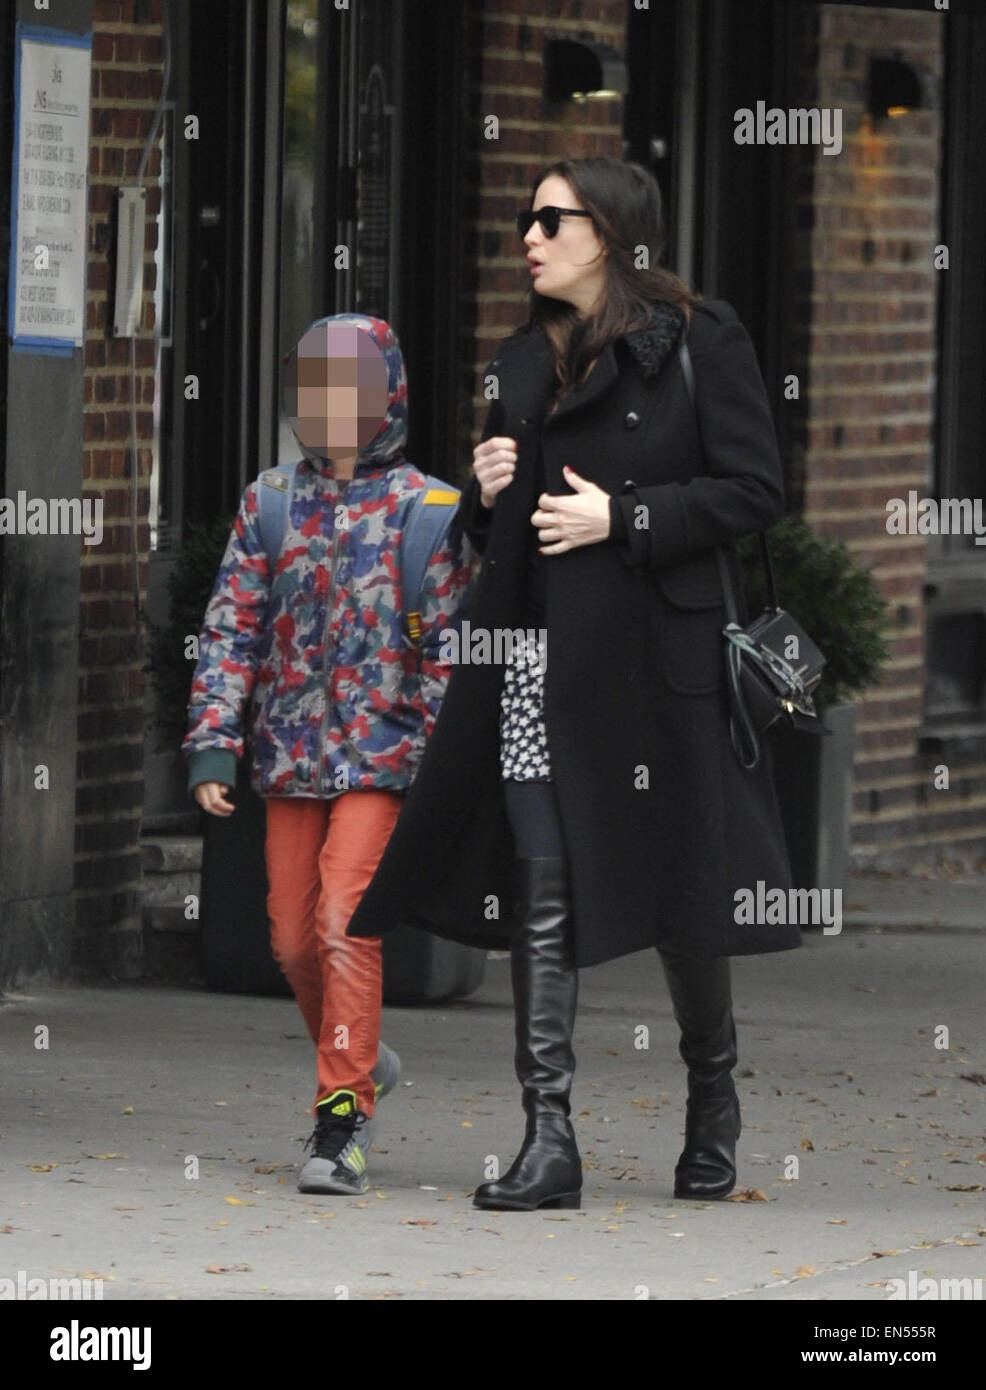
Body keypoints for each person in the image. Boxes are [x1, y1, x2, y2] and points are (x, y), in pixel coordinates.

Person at [345, 156, 802, 1211]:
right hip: (537, 666)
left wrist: (626, 518)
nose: (529, 237)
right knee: (540, 891)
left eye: (551, 218)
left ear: (612, 231)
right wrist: (482, 497)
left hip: (661, 671)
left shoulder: (697, 341)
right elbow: (504, 540)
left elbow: (753, 489)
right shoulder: (519, 361)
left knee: (686, 897)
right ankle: (547, 1136)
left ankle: (711, 1102)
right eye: (524, 218)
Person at [182, 314, 475, 1195]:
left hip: (384, 759)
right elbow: (230, 626)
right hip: (290, 753)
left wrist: (433, 762)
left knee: (348, 922)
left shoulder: (430, 511)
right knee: (289, 937)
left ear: (386, 393)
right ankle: (362, 1051)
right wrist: (211, 744)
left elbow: (450, 651)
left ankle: (339, 1122)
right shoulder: (271, 501)